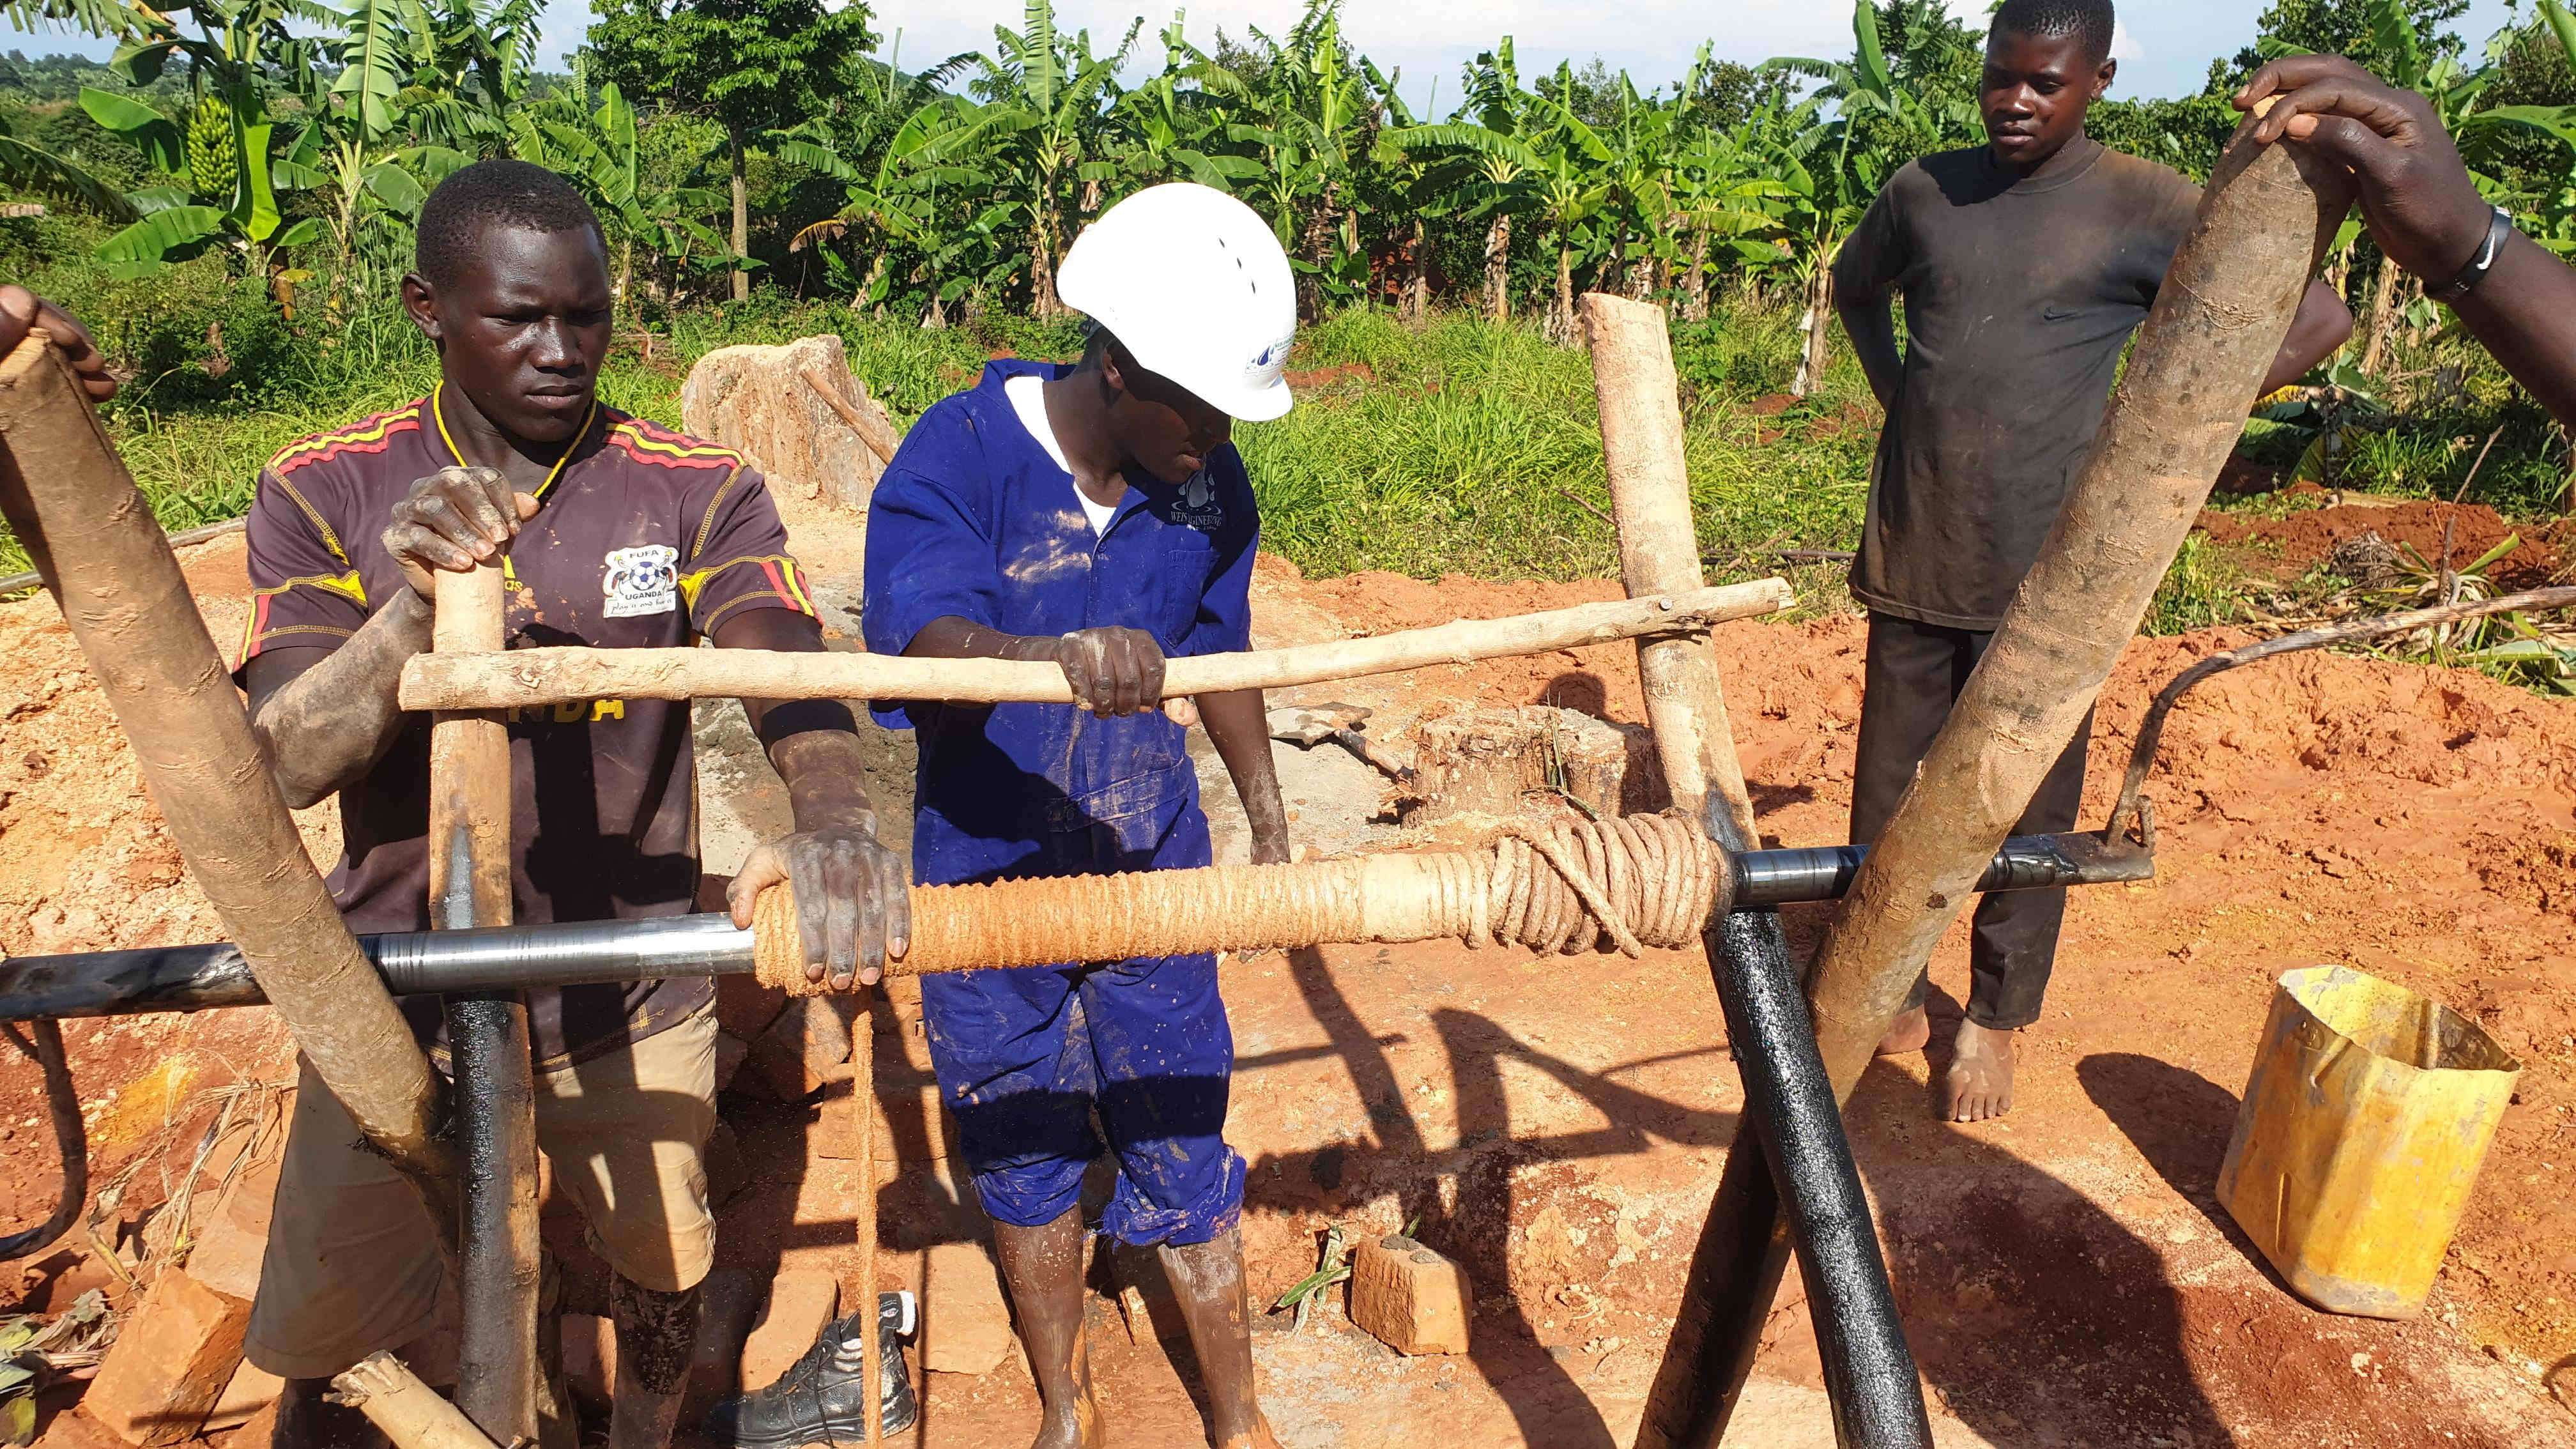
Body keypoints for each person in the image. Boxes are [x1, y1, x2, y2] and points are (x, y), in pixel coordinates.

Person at [230, 160, 908, 1449]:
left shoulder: (687, 485)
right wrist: (415, 612)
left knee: (660, 1270)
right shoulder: (329, 489)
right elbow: (284, 762)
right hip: (395, 998)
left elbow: (787, 665)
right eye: (517, 320)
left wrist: (831, 818)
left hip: (628, 986)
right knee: (334, 1341)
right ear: (430, 309)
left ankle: (641, 1437)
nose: (560, 352)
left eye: (585, 317)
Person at [1831, 0, 2356, 1123]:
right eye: (2000, 78)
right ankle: (1893, 983)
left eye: (2045, 83)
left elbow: (2314, 320)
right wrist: (1900, 399)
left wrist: (2164, 424)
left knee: (2028, 806)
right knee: (1891, 786)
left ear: (2099, 80)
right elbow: (1853, 291)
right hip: (1921, 536)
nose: (2015, 102)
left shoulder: (2143, 203)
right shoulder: (1929, 190)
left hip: (2054, 573)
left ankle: (1995, 1019)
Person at [859, 181, 1293, 1449]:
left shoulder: (1208, 491)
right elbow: (917, 635)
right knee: (1019, 1124)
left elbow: (1223, 651)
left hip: (1148, 851)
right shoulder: (963, 456)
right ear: (1115, 368)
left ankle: (1239, 1418)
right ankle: (1065, 1404)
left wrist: (1267, 818)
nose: (1217, 431)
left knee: (1180, 1109)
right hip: (989, 868)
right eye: (1200, 403)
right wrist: (1044, 654)